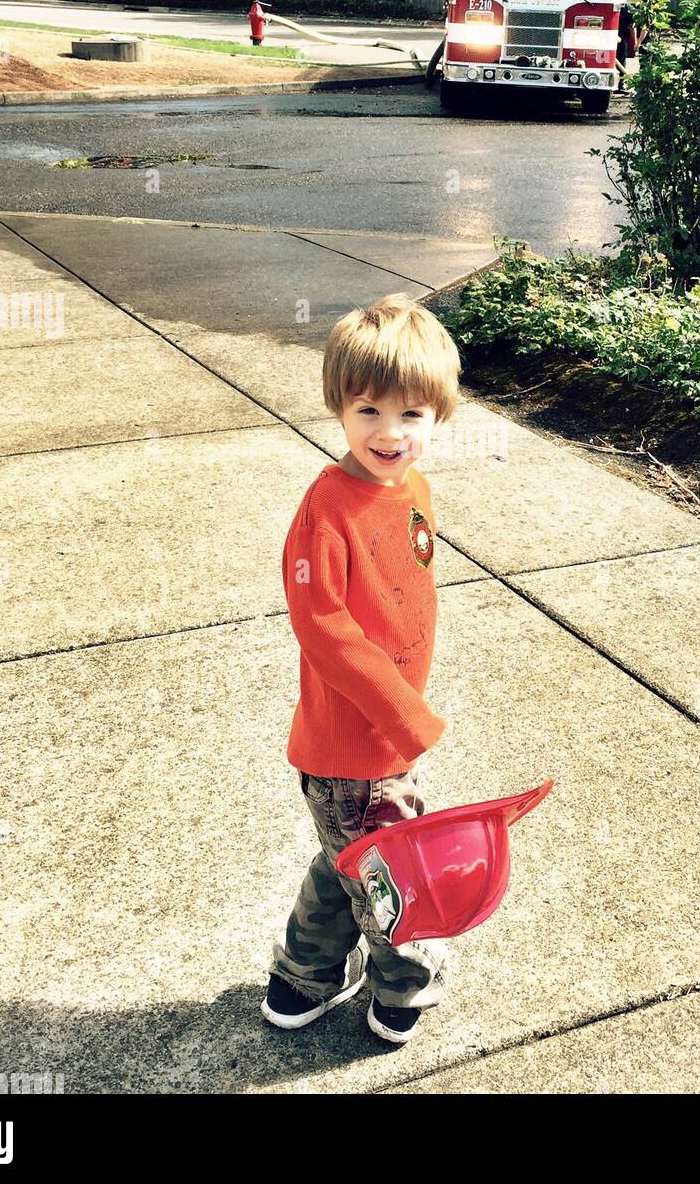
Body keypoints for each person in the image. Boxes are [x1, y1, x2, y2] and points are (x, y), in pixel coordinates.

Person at [262, 293, 464, 1046]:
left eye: (411, 414)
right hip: (357, 746)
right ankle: (405, 984)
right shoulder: (328, 510)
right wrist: (403, 716)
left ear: (439, 414)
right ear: (339, 408)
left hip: (380, 737)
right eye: (368, 411)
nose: (389, 432)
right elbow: (324, 626)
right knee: (391, 876)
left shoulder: (411, 489)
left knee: (344, 858)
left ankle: (303, 976)